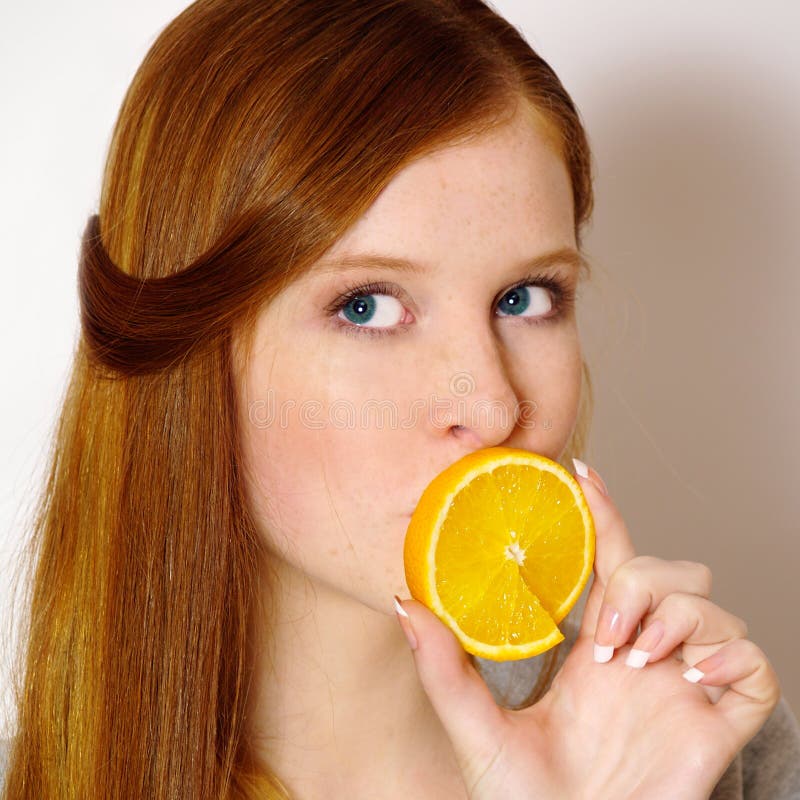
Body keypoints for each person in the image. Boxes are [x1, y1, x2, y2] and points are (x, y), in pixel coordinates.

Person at [1, 1, 799, 798]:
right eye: (367, 307)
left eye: (525, 298)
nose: (491, 408)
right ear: (196, 356)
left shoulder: (705, 749)